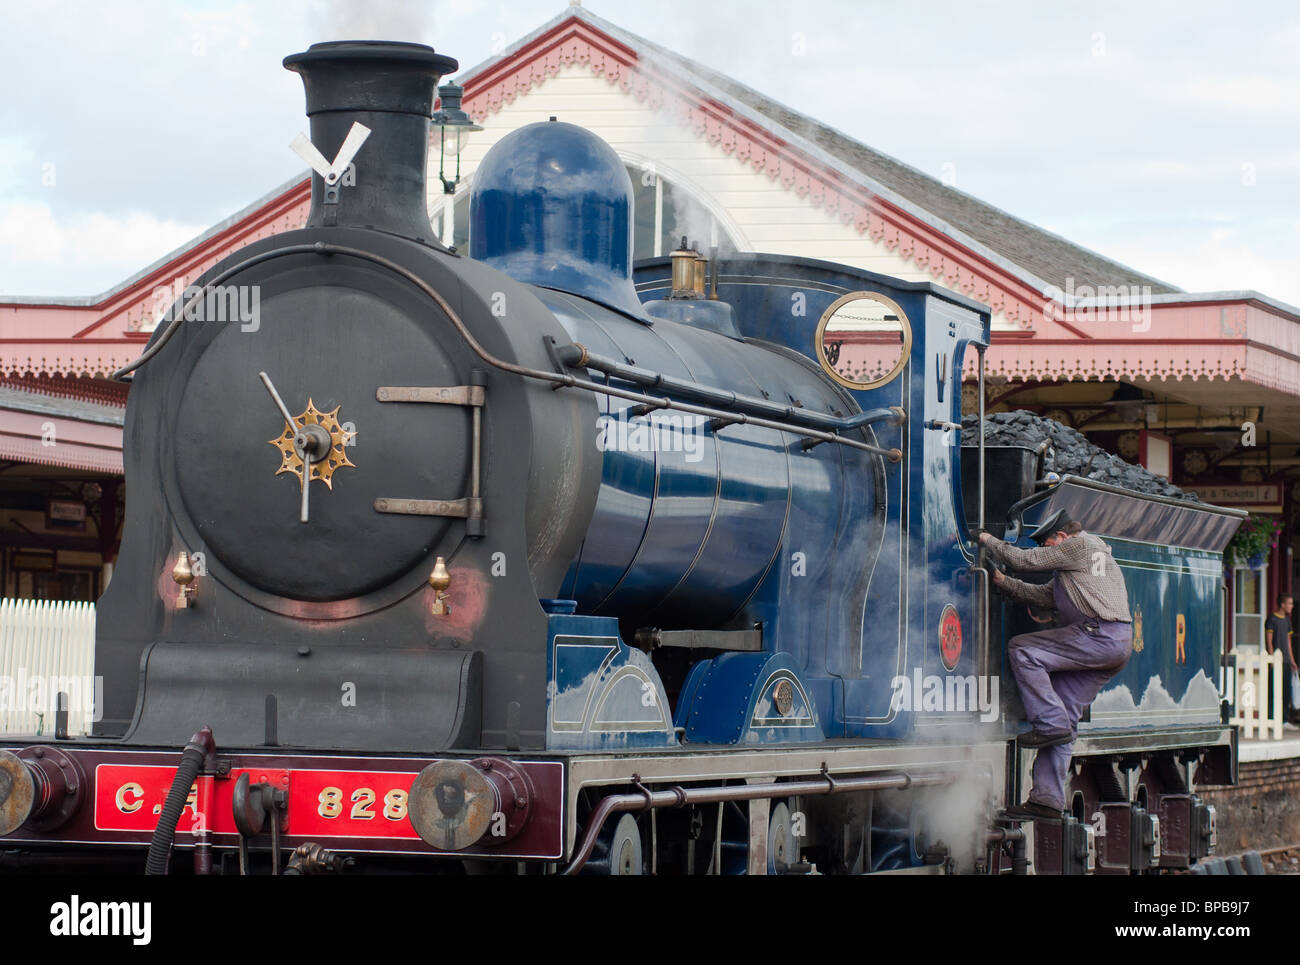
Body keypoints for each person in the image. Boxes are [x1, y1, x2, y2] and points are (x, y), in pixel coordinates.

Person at [979, 510, 1133, 821]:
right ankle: (1047, 798)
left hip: (1098, 636)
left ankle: (1048, 723)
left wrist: (985, 539)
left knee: (1023, 650)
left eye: (1049, 545)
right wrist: (1000, 580)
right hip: (1115, 643)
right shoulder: (1081, 569)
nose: (1048, 552)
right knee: (1066, 718)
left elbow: (1026, 561)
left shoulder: (1080, 546)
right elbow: (1039, 594)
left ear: (1062, 536)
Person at [1265, 593, 1296, 725]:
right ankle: (1272, 719)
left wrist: (1292, 660)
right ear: (1282, 604)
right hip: (1275, 661)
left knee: (1286, 691)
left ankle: (1284, 720)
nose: (1292, 606)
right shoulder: (1272, 619)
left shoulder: (1287, 621)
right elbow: (1269, 641)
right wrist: (1272, 659)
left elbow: (1288, 642)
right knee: (1273, 690)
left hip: (1286, 661)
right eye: (1289, 603)